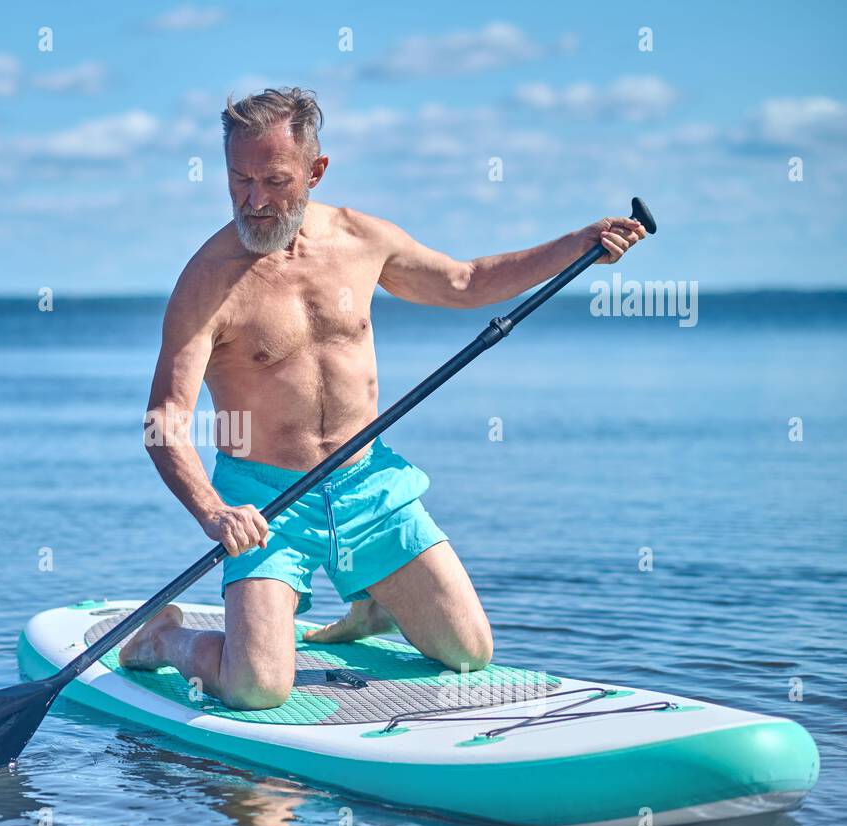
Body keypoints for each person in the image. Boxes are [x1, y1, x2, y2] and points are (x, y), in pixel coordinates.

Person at [122, 87, 645, 709]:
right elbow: (165, 423)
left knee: (470, 652)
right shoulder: (207, 281)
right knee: (256, 687)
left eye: (274, 180)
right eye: (239, 180)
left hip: (368, 486)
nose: (255, 201)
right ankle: (166, 640)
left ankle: (371, 606)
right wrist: (215, 512)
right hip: (265, 506)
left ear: (316, 171)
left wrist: (577, 245)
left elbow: (464, 281)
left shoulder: (360, 241)